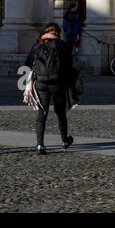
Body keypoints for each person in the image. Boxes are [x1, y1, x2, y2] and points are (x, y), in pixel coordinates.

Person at [24, 22, 76, 155]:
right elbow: (69, 64)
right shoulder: (62, 45)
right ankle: (64, 140)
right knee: (60, 112)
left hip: (41, 83)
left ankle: (40, 145)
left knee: (42, 113)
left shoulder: (37, 45)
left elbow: (28, 63)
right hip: (58, 83)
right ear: (58, 33)